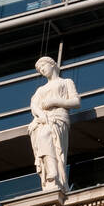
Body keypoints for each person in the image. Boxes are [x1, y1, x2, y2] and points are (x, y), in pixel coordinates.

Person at [28, 57, 80, 193]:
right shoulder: (41, 89)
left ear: (52, 65)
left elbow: (75, 102)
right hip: (44, 120)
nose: (42, 70)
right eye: (40, 70)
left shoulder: (66, 82)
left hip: (58, 118)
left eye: (43, 66)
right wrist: (40, 114)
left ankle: (55, 173)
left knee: (50, 141)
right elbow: (34, 105)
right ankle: (52, 173)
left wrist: (54, 101)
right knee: (43, 139)